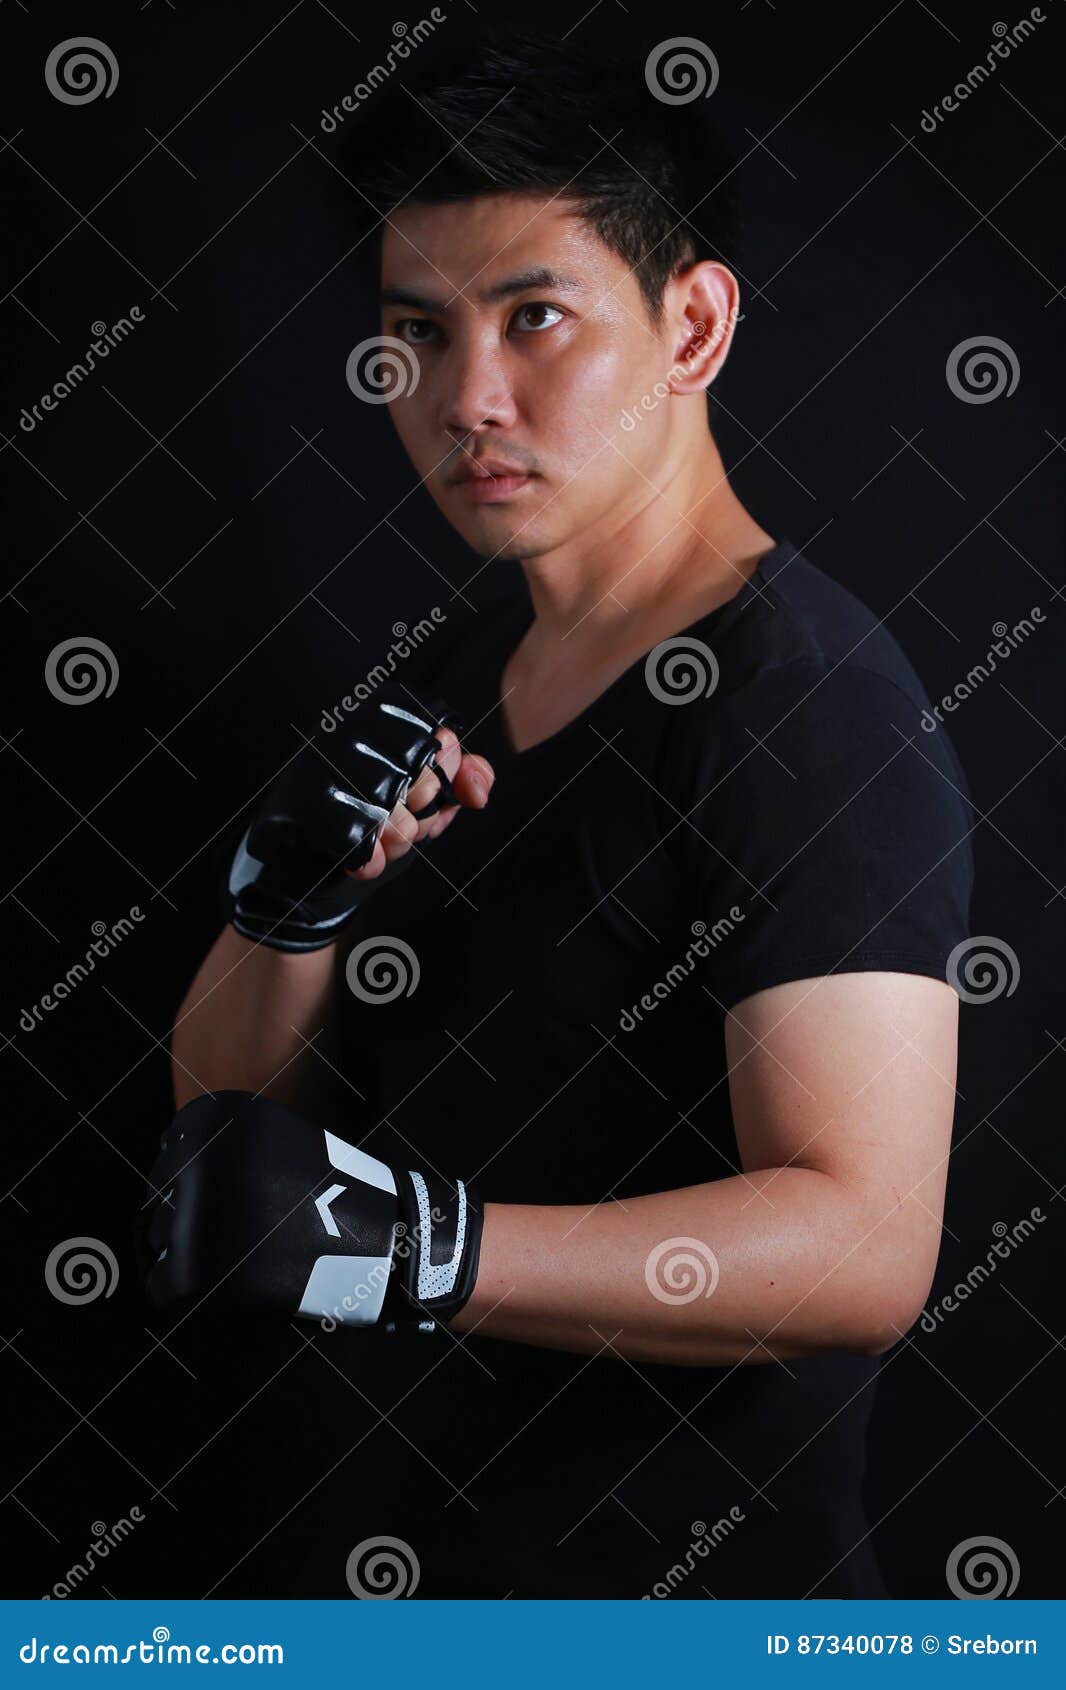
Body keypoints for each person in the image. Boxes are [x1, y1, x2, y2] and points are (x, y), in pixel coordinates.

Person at [159, 28, 975, 1598]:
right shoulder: (468, 663)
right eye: (418, 329)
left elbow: (867, 1247)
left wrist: (432, 1251)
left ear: (691, 324)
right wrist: (285, 917)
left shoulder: (801, 702)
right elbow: (228, 1163)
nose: (466, 396)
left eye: (535, 318)